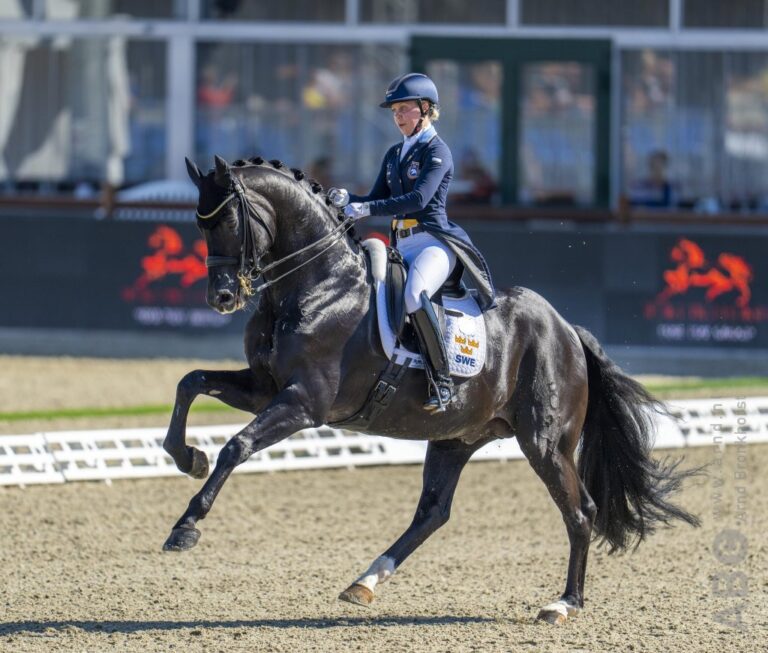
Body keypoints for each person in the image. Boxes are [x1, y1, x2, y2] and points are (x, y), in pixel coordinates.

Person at [328, 72, 496, 413]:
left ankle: (442, 381)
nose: (398, 116)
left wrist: (367, 208)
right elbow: (374, 198)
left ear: (426, 109)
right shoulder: (394, 154)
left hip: (433, 243)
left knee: (415, 295)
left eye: (405, 109)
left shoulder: (437, 151)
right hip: (400, 245)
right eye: (395, 111)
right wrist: (347, 200)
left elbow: (418, 199)